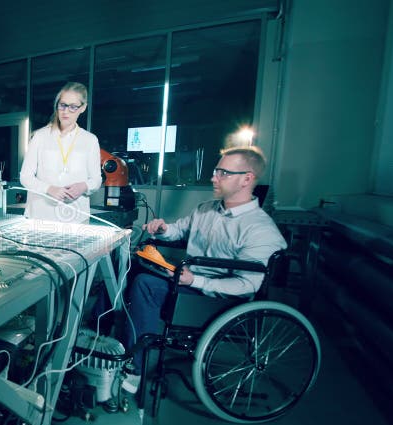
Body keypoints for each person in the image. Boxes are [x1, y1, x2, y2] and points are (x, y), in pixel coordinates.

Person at [122, 146, 286, 391]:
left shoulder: (260, 229)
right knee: (129, 266)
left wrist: (195, 281)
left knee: (145, 285)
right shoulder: (206, 209)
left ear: (247, 179)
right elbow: (180, 230)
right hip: (189, 283)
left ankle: (133, 369)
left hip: (216, 301)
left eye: (223, 173)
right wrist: (164, 229)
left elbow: (247, 285)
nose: (213, 177)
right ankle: (105, 344)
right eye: (215, 171)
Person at [19, 82, 102, 223]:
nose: (65, 111)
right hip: (41, 216)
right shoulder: (40, 136)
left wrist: (84, 186)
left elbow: (96, 180)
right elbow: (25, 177)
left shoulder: (90, 140)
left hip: (76, 217)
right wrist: (48, 188)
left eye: (73, 107)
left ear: (83, 108)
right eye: (62, 105)